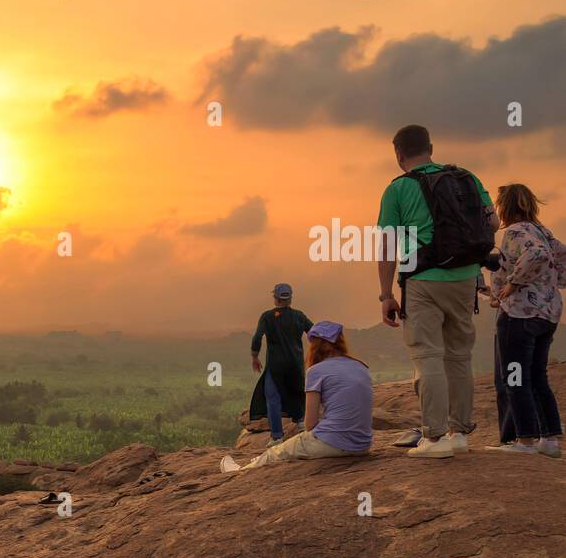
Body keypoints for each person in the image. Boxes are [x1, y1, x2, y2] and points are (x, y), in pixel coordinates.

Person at [376, 124, 497, 459]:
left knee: (427, 355)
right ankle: (461, 432)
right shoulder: (466, 177)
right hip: (465, 277)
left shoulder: (398, 188)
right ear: (431, 147)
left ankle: (435, 437)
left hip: (424, 280)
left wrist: (386, 294)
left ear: (398, 154)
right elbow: (493, 222)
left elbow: (387, 245)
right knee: (459, 355)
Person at [223, 321, 373, 472]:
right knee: (284, 450)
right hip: (362, 445)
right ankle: (257, 461)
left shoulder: (316, 371)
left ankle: (239, 471)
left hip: (331, 443)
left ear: (315, 344)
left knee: (275, 453)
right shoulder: (361, 366)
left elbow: (310, 424)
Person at [487, 183, 563, 457]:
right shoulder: (543, 231)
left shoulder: (516, 232)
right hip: (547, 314)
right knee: (537, 377)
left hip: (519, 317)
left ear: (504, 206)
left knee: (515, 377)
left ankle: (526, 439)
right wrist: (547, 283)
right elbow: (557, 261)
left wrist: (513, 284)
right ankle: (551, 439)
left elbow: (537, 256)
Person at [248, 283, 313, 447]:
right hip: (295, 363)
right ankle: (300, 423)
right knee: (297, 390)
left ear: (276, 299)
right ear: (290, 298)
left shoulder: (267, 316)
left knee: (273, 397)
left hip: (276, 364)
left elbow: (257, 337)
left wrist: (255, 357)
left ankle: (277, 437)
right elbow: (313, 332)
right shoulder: (299, 316)